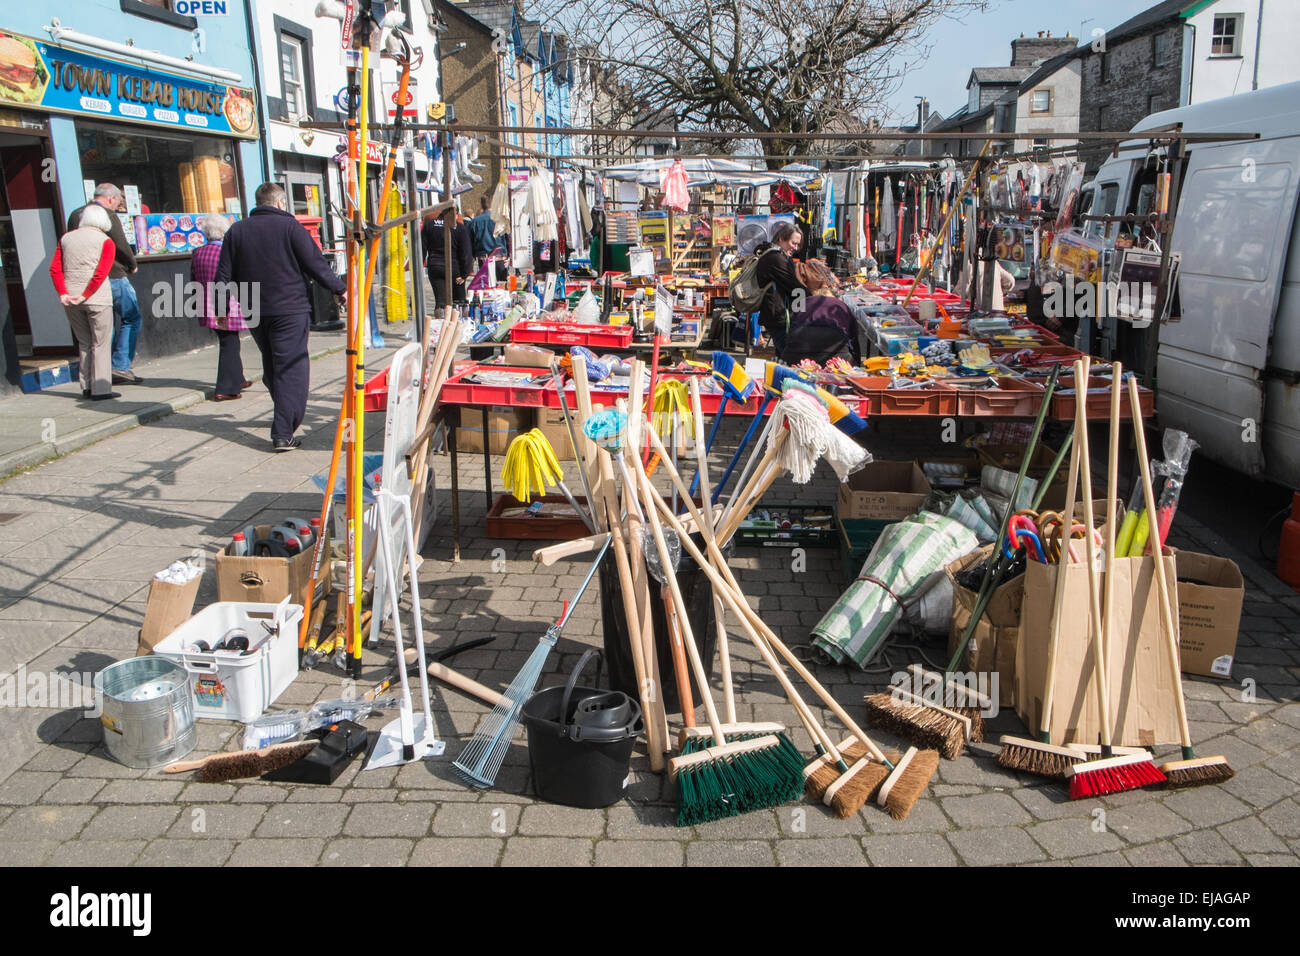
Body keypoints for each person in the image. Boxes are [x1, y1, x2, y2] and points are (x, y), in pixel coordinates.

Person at [216, 182, 346, 451]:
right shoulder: (290, 227)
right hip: (289, 308)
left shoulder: (236, 231)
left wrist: (221, 308)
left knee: (273, 365)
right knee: (291, 369)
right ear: (280, 203)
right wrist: (340, 289)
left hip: (254, 308)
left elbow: (223, 274)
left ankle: (284, 414)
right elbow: (316, 263)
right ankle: (283, 430)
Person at [66, 183, 142, 385]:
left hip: (83, 279)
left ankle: (101, 372)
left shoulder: (75, 214)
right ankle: (120, 366)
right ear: (110, 199)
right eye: (118, 202)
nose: (118, 206)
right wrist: (132, 264)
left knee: (100, 328)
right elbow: (120, 245)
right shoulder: (107, 215)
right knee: (131, 317)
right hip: (112, 273)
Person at [49, 203, 119, 401]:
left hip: (71, 297)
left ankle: (86, 386)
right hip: (97, 298)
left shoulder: (66, 238)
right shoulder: (106, 241)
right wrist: (86, 293)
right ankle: (102, 388)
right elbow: (101, 273)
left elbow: (55, 268)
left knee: (84, 342)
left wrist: (63, 293)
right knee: (101, 343)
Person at [191, 215, 251, 401]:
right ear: (224, 232)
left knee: (229, 339)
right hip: (225, 304)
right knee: (229, 343)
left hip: (206, 303)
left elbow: (193, 279)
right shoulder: (225, 252)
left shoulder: (198, 252)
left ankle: (238, 378)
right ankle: (226, 388)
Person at [754, 222, 809, 358]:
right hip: (778, 317)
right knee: (790, 357)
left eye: (798, 245)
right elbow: (794, 286)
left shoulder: (779, 256)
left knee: (783, 357)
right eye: (793, 243)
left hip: (780, 315)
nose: (795, 248)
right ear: (781, 239)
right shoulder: (775, 258)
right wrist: (815, 300)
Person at [421, 207, 471, 311]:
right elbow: (466, 252)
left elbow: (422, 248)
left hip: (435, 266)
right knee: (459, 301)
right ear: (455, 214)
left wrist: (420, 265)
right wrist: (465, 273)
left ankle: (441, 320)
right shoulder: (459, 228)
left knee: (440, 302)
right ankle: (458, 322)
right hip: (454, 268)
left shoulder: (430, 225)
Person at [467, 196, 497, 265]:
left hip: (482, 255)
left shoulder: (474, 221)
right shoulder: (498, 220)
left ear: (481, 205)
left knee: (484, 275)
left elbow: (469, 241)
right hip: (498, 255)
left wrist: (473, 255)